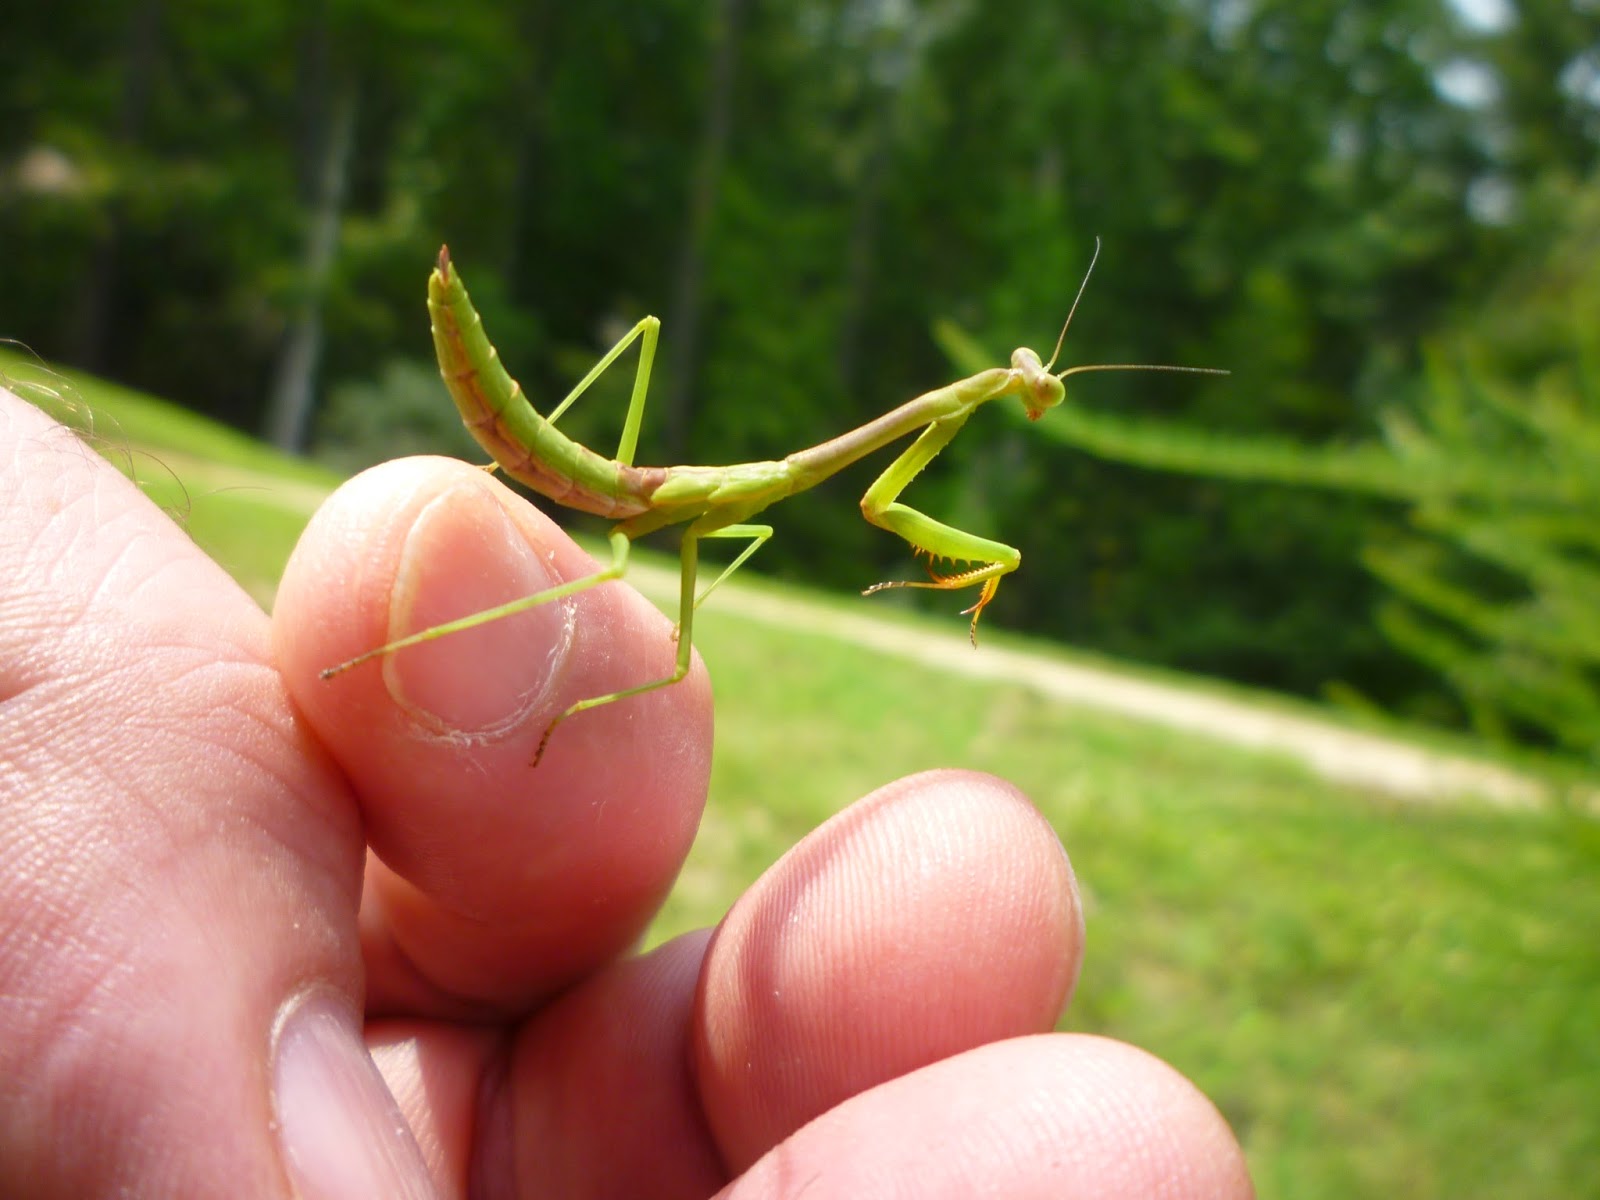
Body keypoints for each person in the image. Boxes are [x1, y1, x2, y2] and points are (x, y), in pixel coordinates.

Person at [0, 386, 1252, 1198]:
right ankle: (392, 650)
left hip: (670, 505)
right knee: (612, 635)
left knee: (647, 655)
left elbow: (877, 498)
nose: (1028, 396)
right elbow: (881, 500)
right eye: (1027, 386)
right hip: (625, 485)